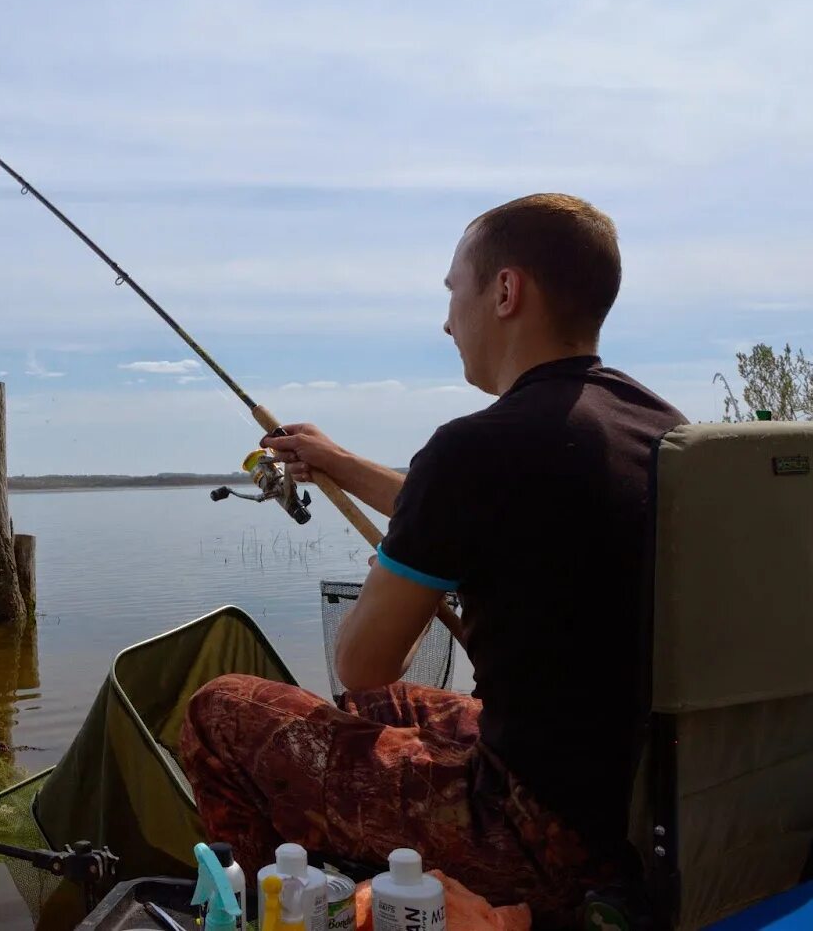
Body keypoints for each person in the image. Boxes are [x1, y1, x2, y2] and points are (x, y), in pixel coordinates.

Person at [179, 193, 687, 928]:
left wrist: (411, 552)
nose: (449, 321)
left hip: (535, 829)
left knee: (221, 710)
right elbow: (465, 504)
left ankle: (268, 912)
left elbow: (363, 658)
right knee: (383, 712)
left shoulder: (476, 448)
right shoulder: (653, 427)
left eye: (455, 292)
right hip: (633, 795)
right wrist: (340, 463)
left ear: (506, 292)